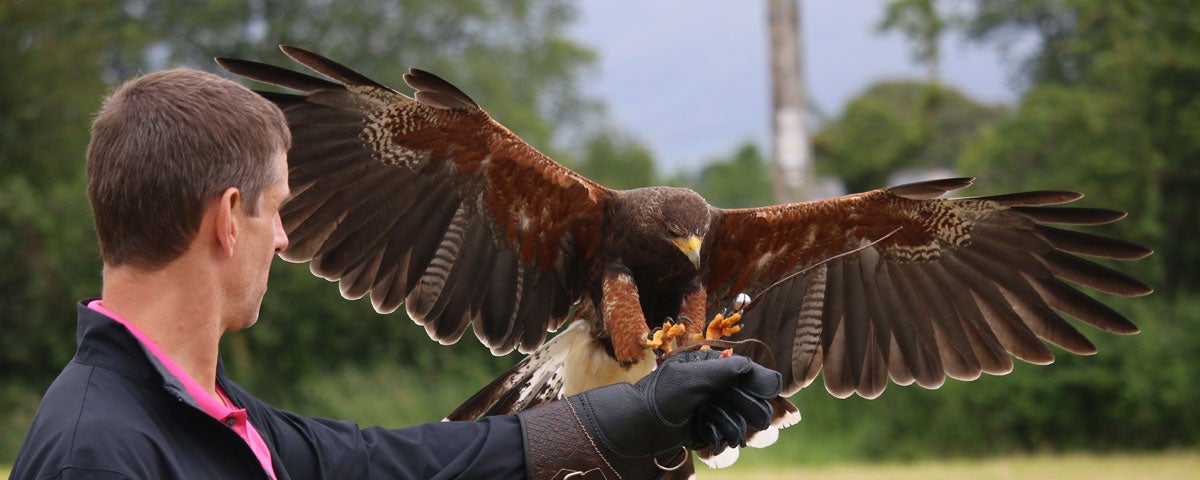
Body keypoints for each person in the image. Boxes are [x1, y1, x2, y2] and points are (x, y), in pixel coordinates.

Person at [11, 68, 782, 479]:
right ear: (226, 218)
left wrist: (635, 417)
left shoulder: (219, 424)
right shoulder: (101, 454)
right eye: (277, 211)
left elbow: (403, 464)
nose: (285, 239)